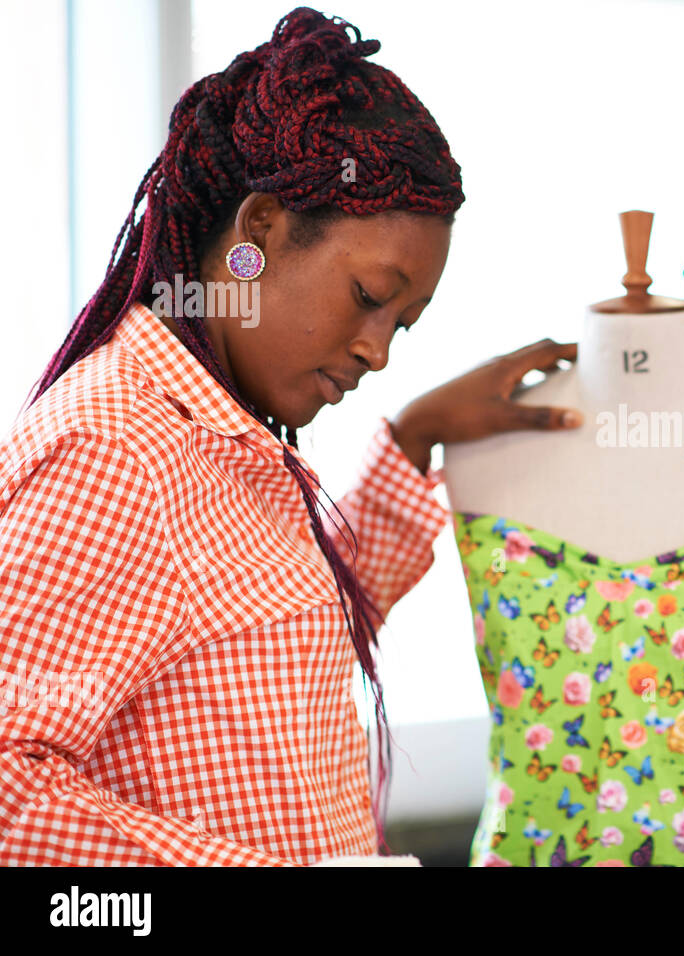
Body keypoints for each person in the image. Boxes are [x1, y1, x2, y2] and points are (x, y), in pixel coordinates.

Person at [0, 7, 580, 866]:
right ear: (259, 234)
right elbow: (12, 788)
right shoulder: (113, 449)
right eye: (367, 297)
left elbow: (274, 661)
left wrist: (415, 437)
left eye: (405, 326)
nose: (377, 352)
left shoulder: (222, 441)